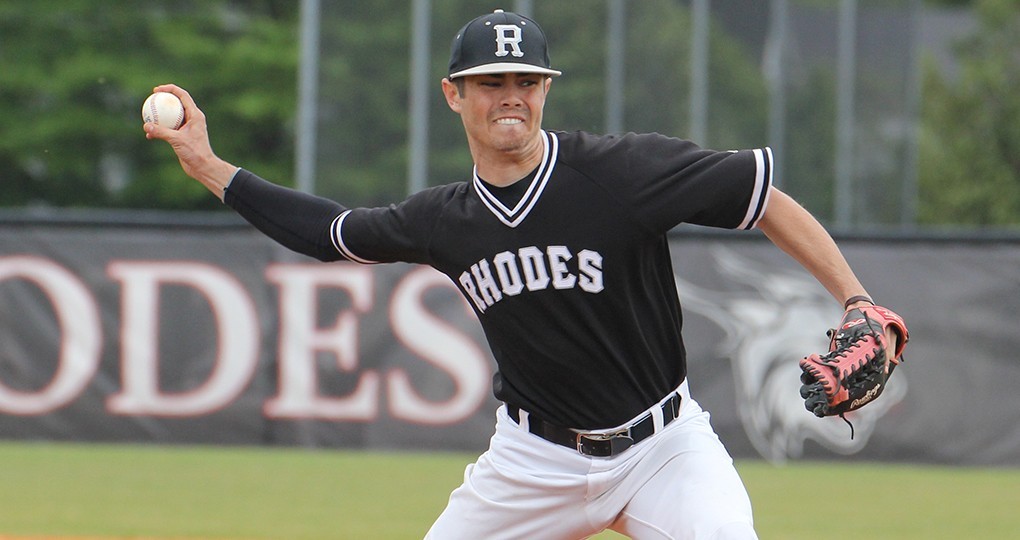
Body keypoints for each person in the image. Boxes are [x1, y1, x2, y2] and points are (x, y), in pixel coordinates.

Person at [145, 9, 899, 540]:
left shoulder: (619, 172)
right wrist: (209, 167)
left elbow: (762, 198)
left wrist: (857, 299)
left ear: (545, 89)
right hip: (532, 462)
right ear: (454, 94)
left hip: (664, 449)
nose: (511, 92)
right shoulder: (445, 220)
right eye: (489, 80)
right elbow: (330, 234)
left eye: (527, 79)